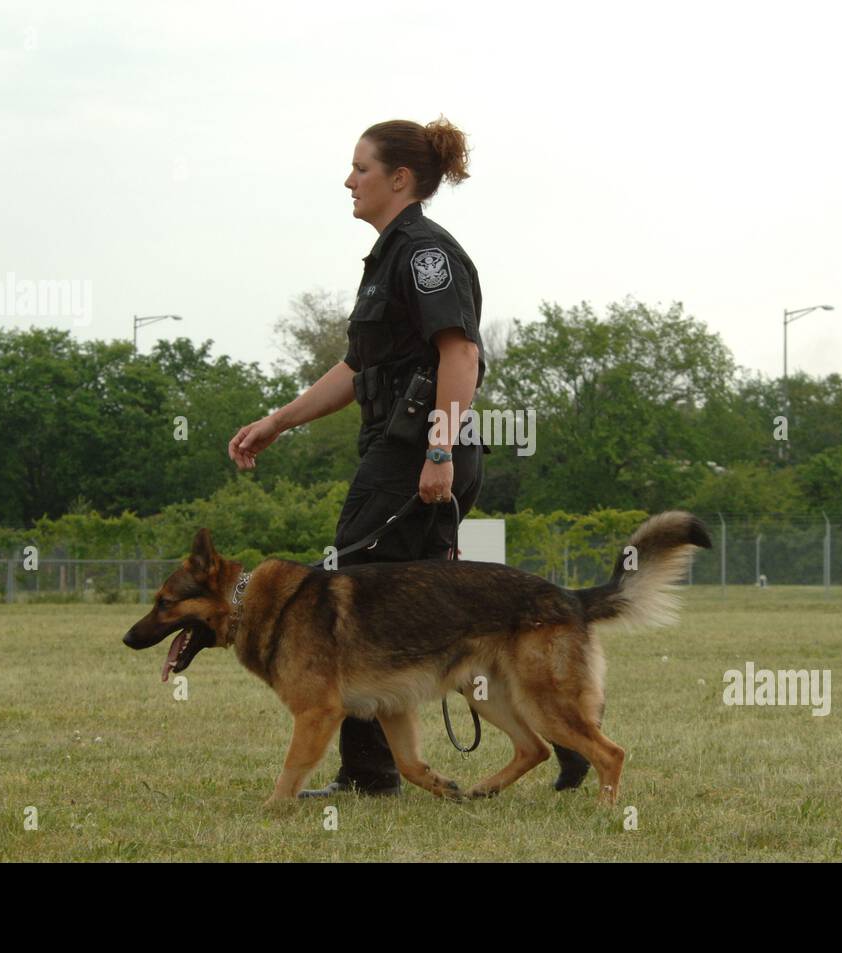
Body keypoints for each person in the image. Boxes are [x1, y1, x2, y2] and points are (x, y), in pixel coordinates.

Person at [228, 116, 590, 796]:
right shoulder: (390, 257)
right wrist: (279, 421)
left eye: (359, 167)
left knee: (351, 606)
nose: (348, 180)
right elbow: (355, 369)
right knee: (425, 613)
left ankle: (372, 775)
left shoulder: (425, 254)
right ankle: (558, 740)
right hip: (407, 450)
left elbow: (461, 354)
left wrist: (439, 447)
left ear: (399, 179)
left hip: (416, 453)